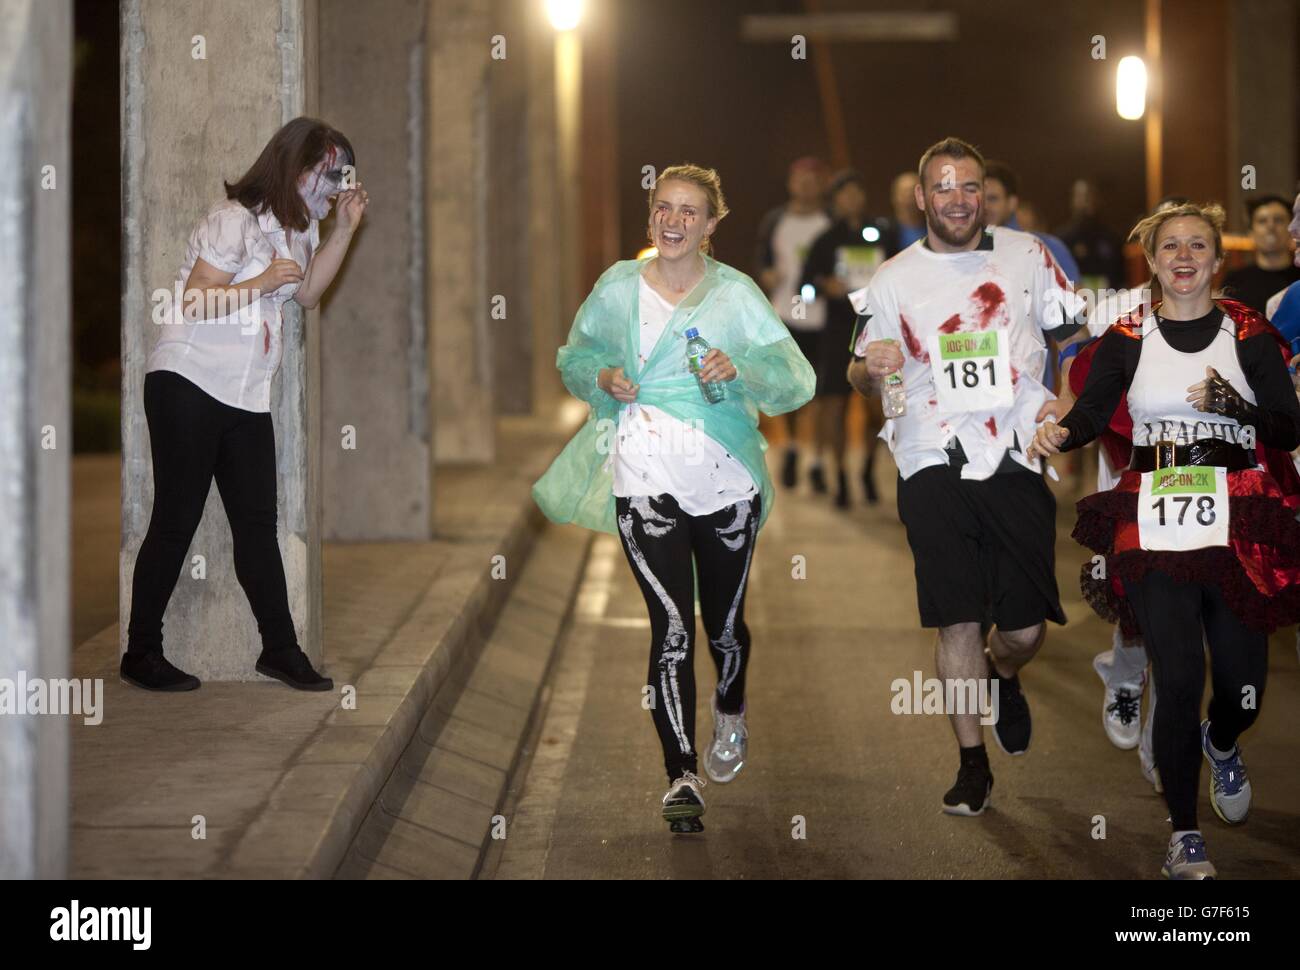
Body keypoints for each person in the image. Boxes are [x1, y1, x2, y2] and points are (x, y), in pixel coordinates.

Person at [533, 164, 816, 832]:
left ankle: (730, 709)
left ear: (712, 224)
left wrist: (737, 366)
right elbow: (575, 358)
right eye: (664, 208)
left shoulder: (736, 295)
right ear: (651, 214)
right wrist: (601, 374)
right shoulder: (618, 288)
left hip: (724, 482)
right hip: (643, 476)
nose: (674, 221)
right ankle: (680, 774)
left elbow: (793, 379)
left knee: (722, 627)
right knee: (672, 627)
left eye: (690, 211)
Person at [1030, 201, 1300, 879]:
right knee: (1178, 676)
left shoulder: (1248, 333)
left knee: (1242, 686)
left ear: (1217, 259)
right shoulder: (1128, 334)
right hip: (1155, 514)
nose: (1184, 257)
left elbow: (1287, 427)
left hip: (1237, 516)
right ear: (1151, 261)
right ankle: (1184, 836)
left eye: (1198, 246)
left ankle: (1223, 740)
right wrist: (1060, 430)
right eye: (1170, 246)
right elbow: (1093, 410)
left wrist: (1235, 409)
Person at [847, 137, 1088, 816]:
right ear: (922, 197)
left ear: (985, 193)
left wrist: (1065, 405)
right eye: (944, 188)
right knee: (955, 619)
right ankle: (971, 762)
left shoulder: (1028, 257)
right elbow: (862, 375)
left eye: (970, 187)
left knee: (1022, 630)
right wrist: (873, 370)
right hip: (929, 456)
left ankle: (1003, 671)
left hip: (1013, 453)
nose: (958, 199)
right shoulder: (891, 277)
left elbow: (1072, 338)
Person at [125, 117, 366, 693]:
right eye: (329, 174)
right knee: (176, 517)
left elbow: (307, 295)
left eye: (341, 177)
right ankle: (141, 651)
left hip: (245, 395)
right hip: (187, 382)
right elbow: (194, 301)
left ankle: (280, 650)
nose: (335, 188)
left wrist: (345, 231)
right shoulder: (234, 221)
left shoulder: (297, 232)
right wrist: (257, 284)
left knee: (258, 526)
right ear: (298, 167)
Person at [800, 169, 888, 506]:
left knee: (877, 410)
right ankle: (840, 478)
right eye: (844, 194)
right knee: (834, 407)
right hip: (838, 333)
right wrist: (823, 287)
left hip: (877, 331)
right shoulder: (825, 239)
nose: (852, 199)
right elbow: (803, 289)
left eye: (857, 192)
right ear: (835, 200)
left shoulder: (881, 233)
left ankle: (867, 469)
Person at [755, 158, 833, 491]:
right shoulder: (776, 220)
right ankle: (789, 448)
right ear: (791, 183)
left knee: (818, 391)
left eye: (814, 179)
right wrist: (767, 275)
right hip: (786, 311)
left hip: (822, 313)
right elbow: (762, 259)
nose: (807, 185)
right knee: (787, 385)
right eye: (801, 179)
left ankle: (815, 458)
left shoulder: (830, 221)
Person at [983, 160, 1080, 283]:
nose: (985, 206)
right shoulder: (967, 250)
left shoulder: (1048, 247)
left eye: (993, 199)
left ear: (1012, 203)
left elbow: (1078, 299)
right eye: (981, 198)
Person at [1222, 194, 1300, 315]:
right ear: (1251, 232)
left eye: (1279, 220)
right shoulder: (1234, 282)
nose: (1271, 226)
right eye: (1262, 221)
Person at [1055, 178, 1126, 291]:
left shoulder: (1112, 238)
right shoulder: (1061, 240)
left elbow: (1121, 279)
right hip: (1075, 302)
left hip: (1108, 301)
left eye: (1088, 196)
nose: (1084, 202)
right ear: (1072, 200)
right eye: (1079, 196)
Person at [883, 171, 927, 256]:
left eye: (912, 192)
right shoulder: (885, 231)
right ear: (894, 197)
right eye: (904, 192)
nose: (908, 197)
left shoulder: (935, 230)